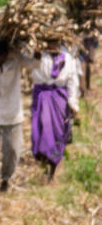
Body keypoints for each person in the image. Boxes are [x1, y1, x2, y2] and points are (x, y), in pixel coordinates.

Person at [0, 34, 36, 192]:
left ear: (6, 52)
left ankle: (6, 179)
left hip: (12, 111)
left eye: (1, 57)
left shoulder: (17, 58)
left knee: (12, 149)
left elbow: (34, 64)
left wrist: (37, 47)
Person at [30, 48, 81, 182]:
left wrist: (73, 103)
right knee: (39, 132)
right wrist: (35, 59)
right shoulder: (40, 56)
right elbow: (34, 75)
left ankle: (52, 169)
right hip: (42, 98)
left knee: (58, 134)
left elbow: (72, 81)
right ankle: (43, 163)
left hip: (59, 100)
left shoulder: (68, 59)